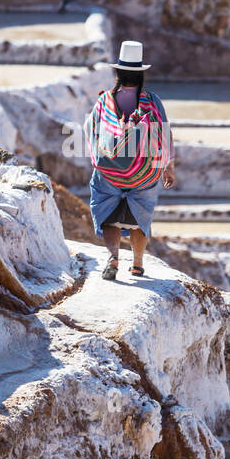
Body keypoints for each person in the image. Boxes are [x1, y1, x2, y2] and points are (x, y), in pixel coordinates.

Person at [85, 40, 175, 280]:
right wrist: (168, 166)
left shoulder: (105, 101)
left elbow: (91, 129)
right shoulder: (152, 101)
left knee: (109, 215)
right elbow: (164, 133)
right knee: (141, 216)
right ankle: (137, 264)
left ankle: (113, 257)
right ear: (141, 74)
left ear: (118, 72)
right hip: (144, 173)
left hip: (110, 172)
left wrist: (101, 158)